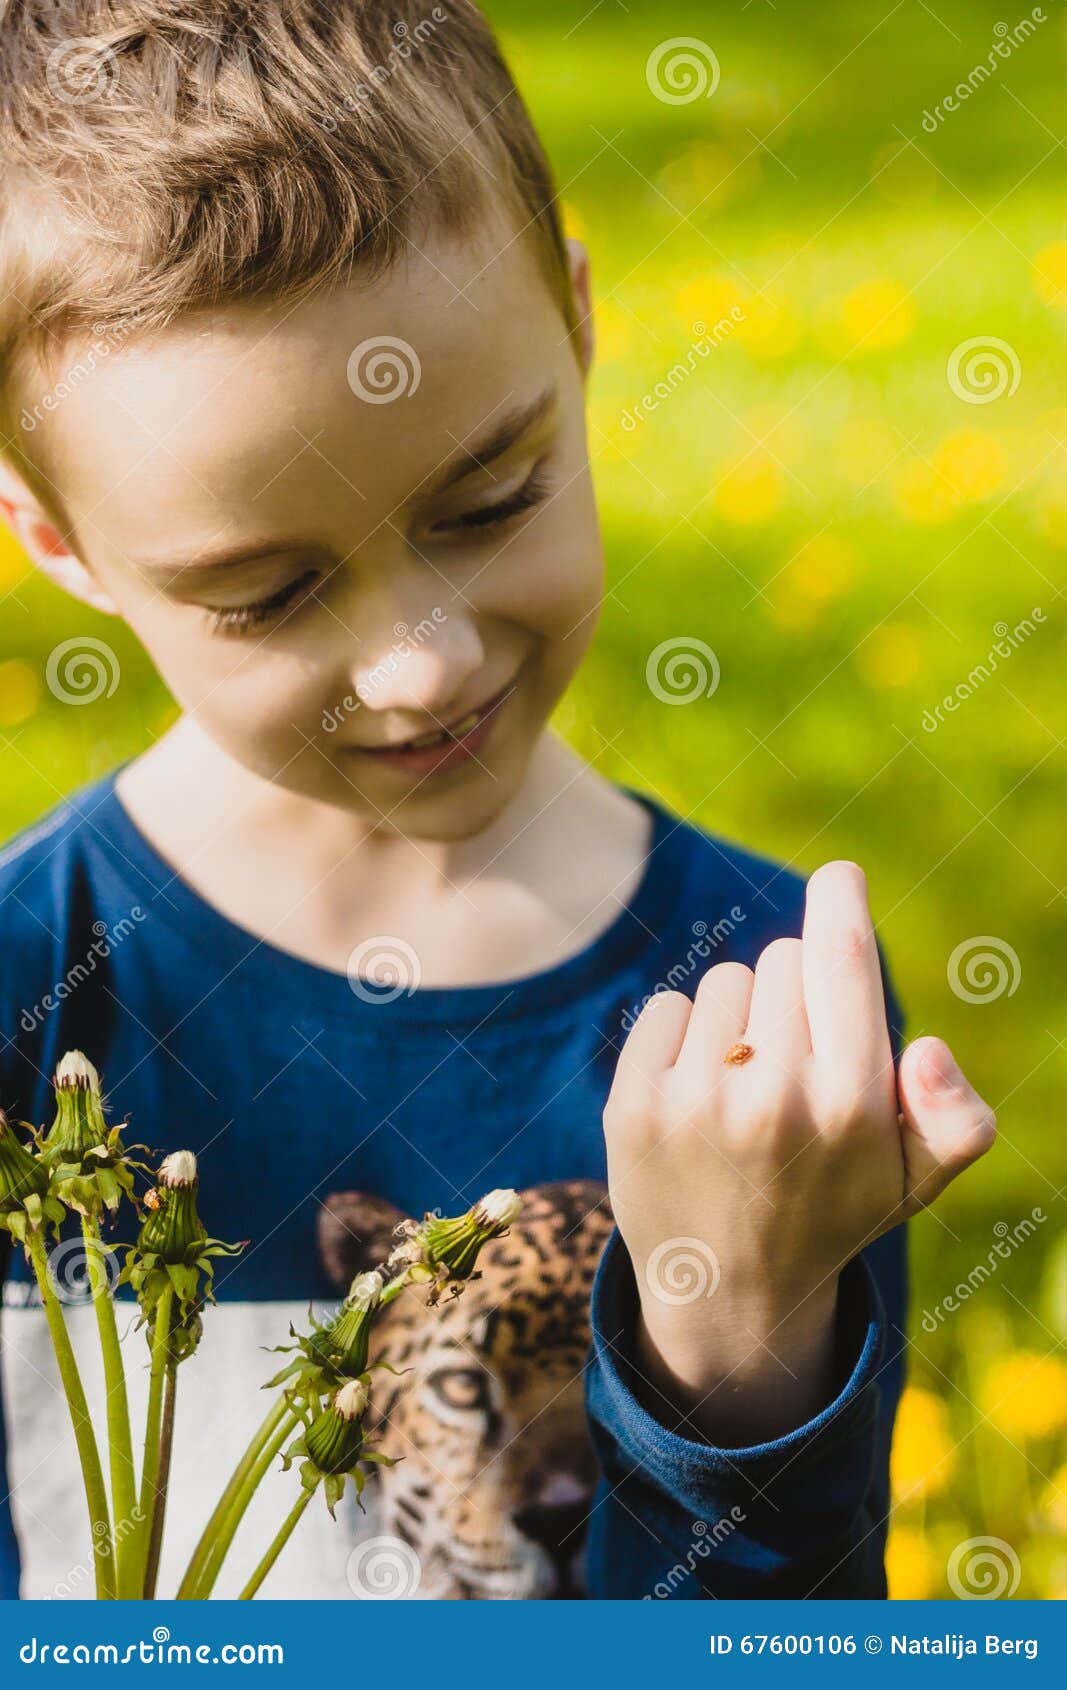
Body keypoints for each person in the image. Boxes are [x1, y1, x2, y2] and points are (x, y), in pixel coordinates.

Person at [0, 0, 995, 1600]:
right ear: (59, 544)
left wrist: (735, 1357)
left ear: (580, 318)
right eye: (265, 594)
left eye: (488, 498)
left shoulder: (763, 1012)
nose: (419, 667)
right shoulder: (24, 990)